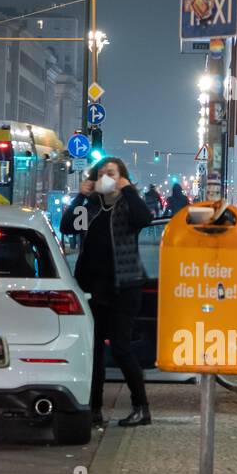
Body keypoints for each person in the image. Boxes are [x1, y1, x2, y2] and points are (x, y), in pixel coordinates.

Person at [60, 157, 153, 427]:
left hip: (125, 286)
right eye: (101, 173)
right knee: (95, 350)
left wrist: (129, 190)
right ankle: (94, 409)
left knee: (122, 347)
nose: (106, 178)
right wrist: (80, 196)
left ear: (122, 176)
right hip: (93, 288)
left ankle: (141, 407)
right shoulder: (90, 207)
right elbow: (67, 227)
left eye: (111, 173)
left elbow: (144, 219)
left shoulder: (127, 203)